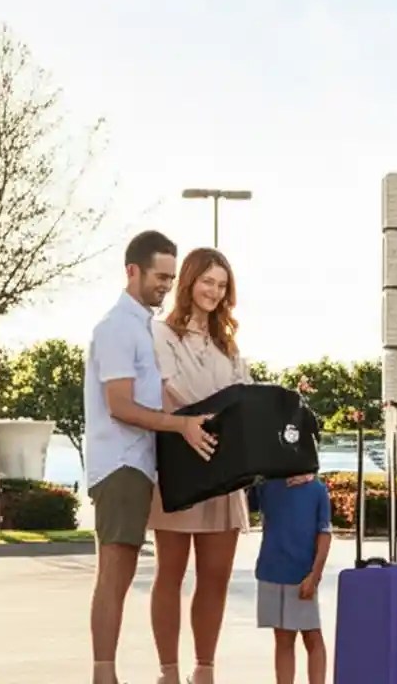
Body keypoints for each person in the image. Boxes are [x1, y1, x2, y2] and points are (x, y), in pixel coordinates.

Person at [86, 231, 218, 684]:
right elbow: (119, 406)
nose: (166, 284)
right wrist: (181, 425)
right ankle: (105, 675)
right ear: (132, 272)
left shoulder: (144, 326)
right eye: (160, 276)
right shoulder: (117, 328)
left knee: (119, 575)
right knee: (115, 575)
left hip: (140, 466)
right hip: (121, 466)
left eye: (170, 276)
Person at [148, 248, 253, 684]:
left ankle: (203, 671)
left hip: (224, 473)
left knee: (215, 577)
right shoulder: (161, 334)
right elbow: (178, 390)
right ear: (188, 281)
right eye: (208, 281)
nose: (214, 291)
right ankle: (168, 672)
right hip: (177, 467)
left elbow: (246, 399)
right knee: (169, 574)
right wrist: (226, 403)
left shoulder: (229, 345)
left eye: (222, 284)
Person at [256, 472, 333, 684]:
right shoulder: (267, 485)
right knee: (283, 638)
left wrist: (314, 576)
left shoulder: (317, 489)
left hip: (302, 575)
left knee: (312, 636)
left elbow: (324, 534)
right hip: (271, 570)